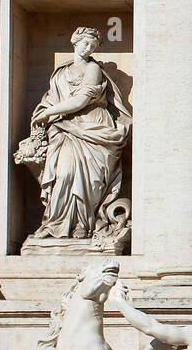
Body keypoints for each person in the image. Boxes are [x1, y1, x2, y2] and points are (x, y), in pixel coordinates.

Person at [22, 26, 131, 241]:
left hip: (92, 126)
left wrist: (49, 113)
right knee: (63, 175)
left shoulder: (93, 69)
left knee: (89, 181)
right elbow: (52, 99)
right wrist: (44, 112)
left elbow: (81, 100)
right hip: (64, 128)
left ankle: (83, 224)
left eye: (93, 46)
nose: (88, 48)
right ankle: (54, 223)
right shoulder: (60, 72)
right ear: (75, 42)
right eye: (85, 43)